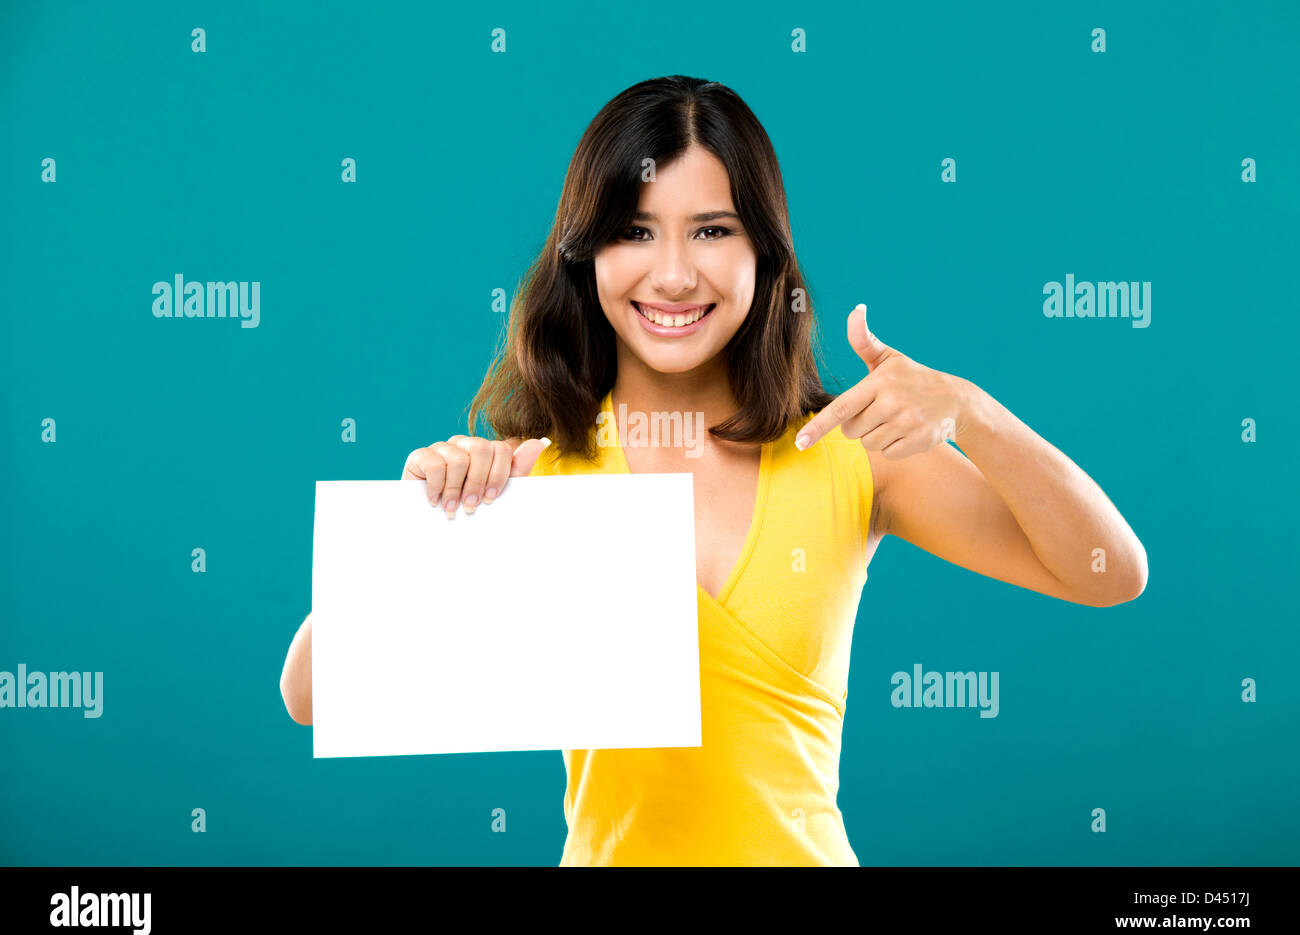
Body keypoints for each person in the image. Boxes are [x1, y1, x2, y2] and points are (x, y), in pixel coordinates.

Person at [280, 75, 1147, 866]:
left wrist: (971, 410)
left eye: (712, 231)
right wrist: (425, 516)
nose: (672, 274)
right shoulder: (533, 475)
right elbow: (313, 694)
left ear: (763, 253)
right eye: (634, 232)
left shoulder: (849, 453)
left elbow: (1109, 572)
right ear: (586, 258)